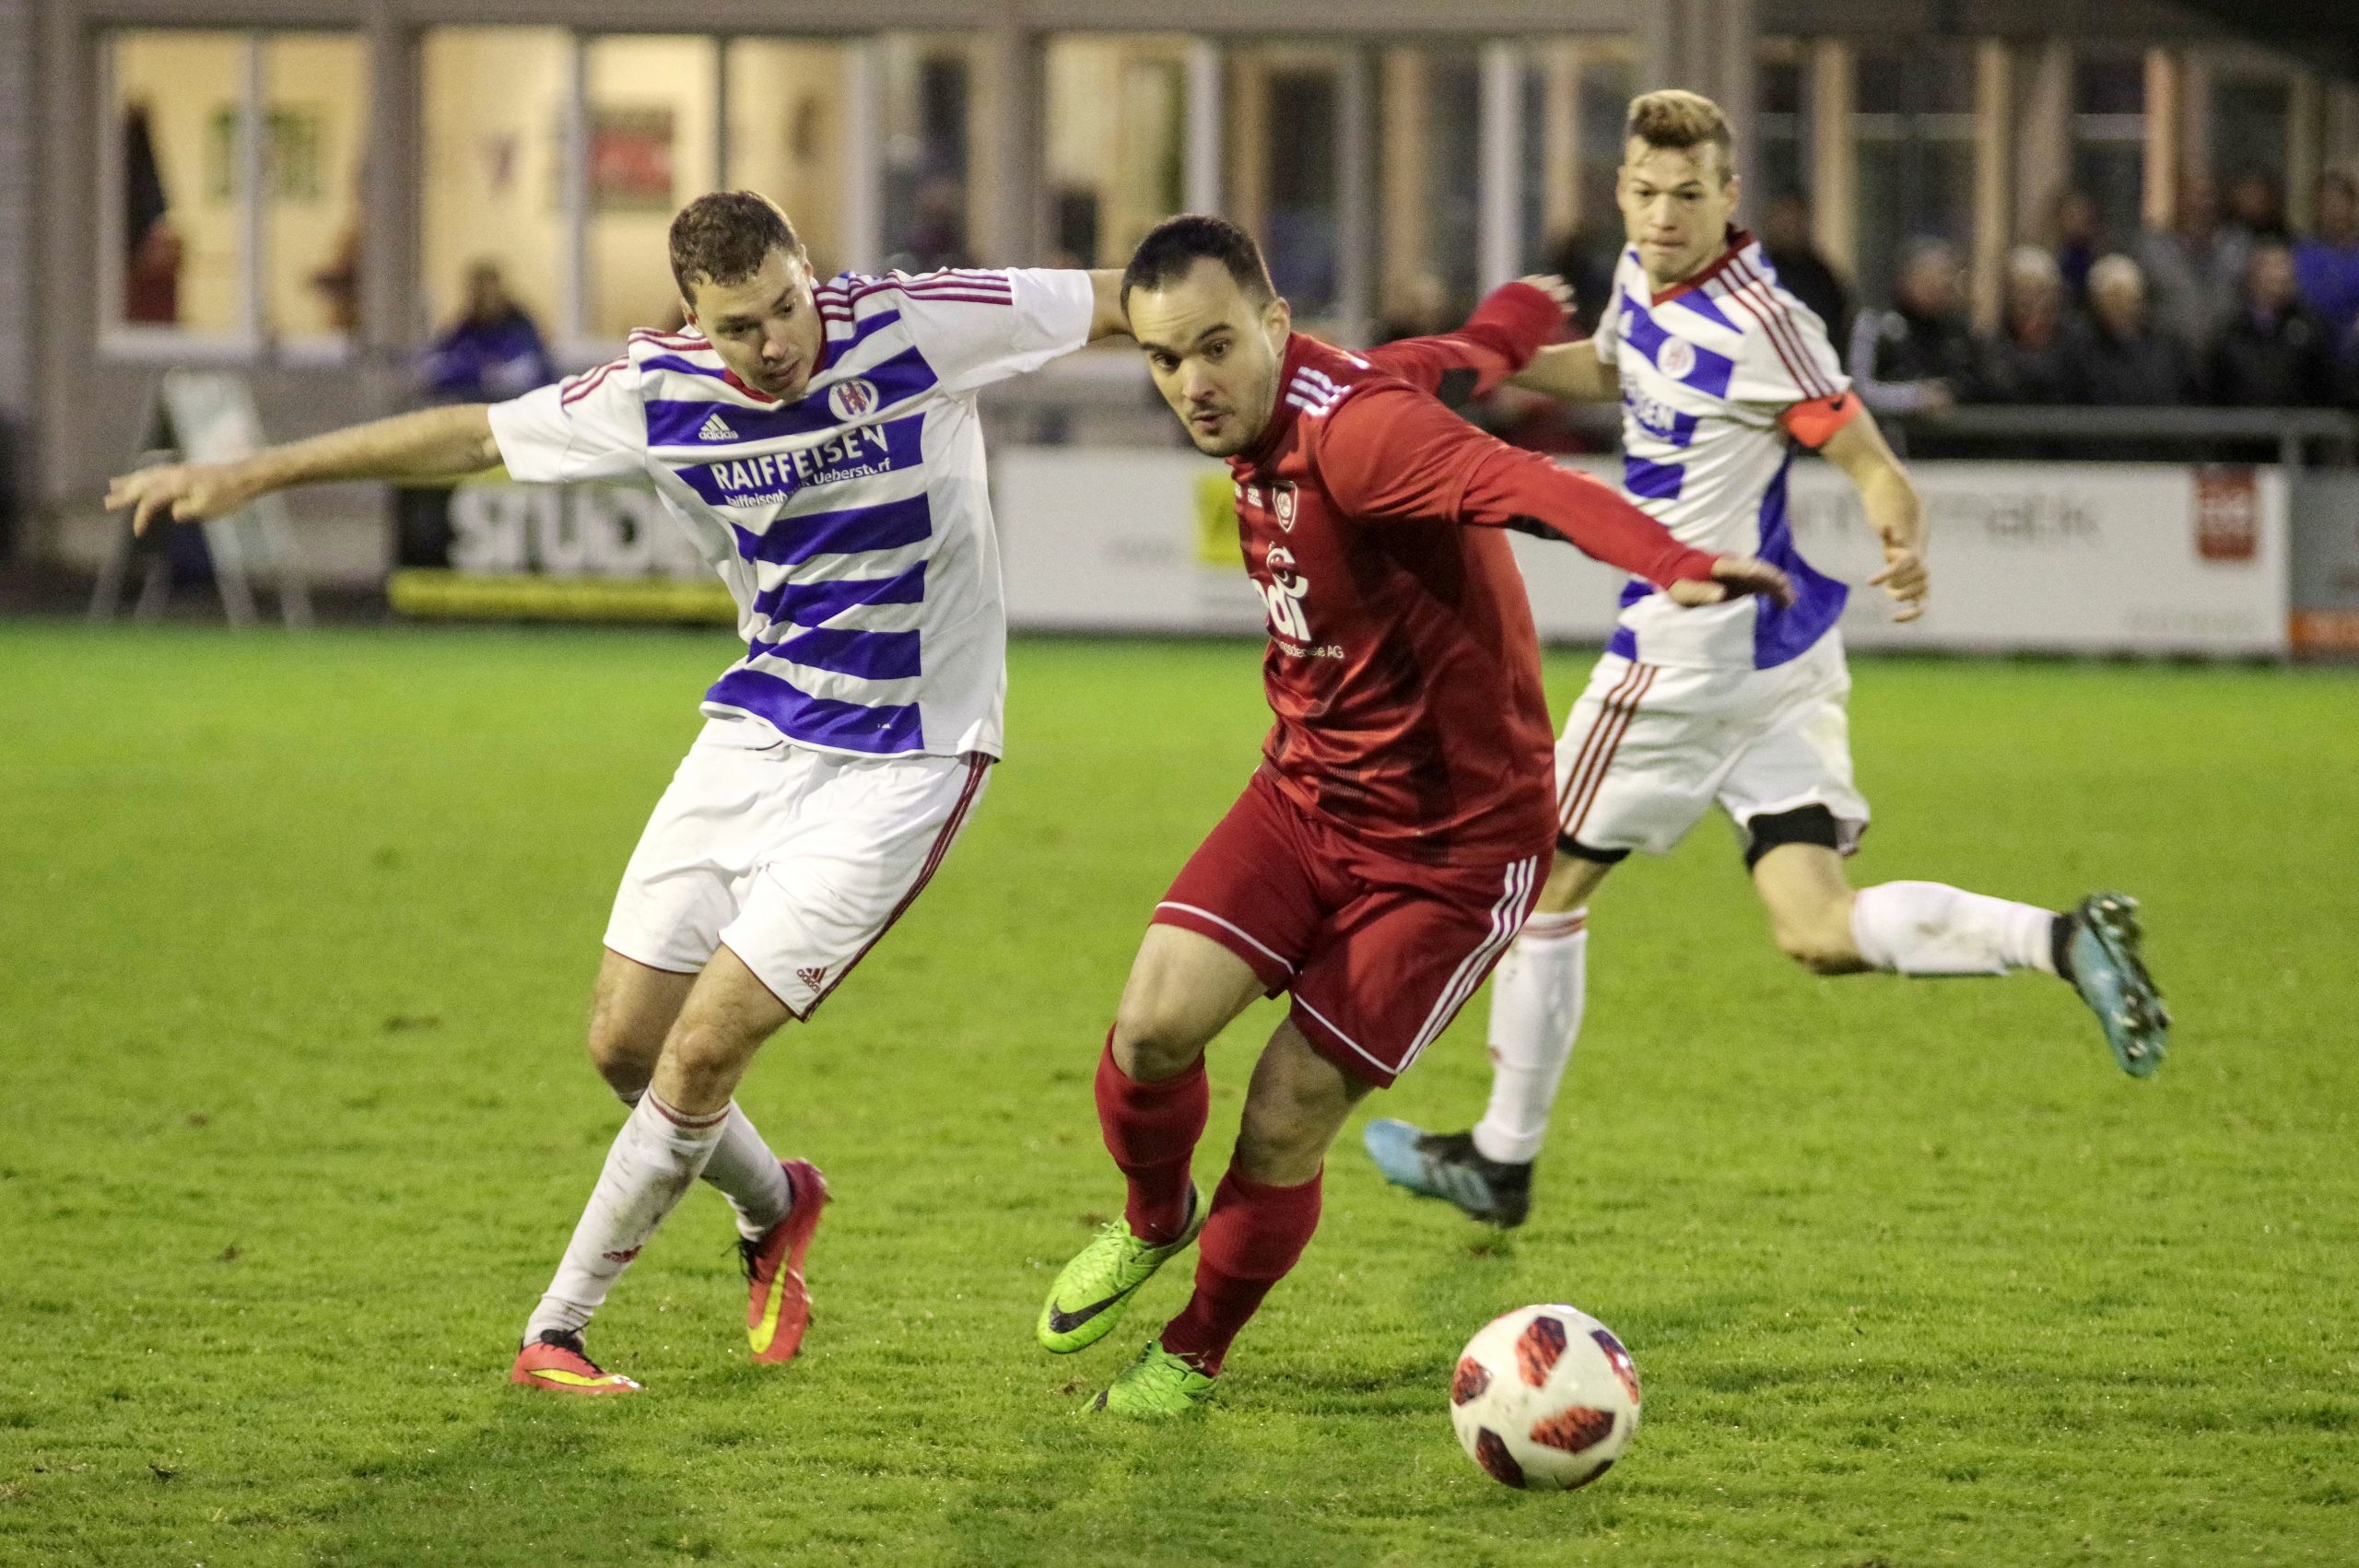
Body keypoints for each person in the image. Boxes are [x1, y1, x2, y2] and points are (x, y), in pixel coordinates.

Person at [107, 191, 1134, 1395]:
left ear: (808, 269)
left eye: (786, 307)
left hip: (908, 758)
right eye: (740, 325)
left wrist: (1267, 361)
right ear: (695, 319)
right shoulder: (658, 392)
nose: (775, 342)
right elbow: (472, 437)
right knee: (624, 1047)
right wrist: (256, 472)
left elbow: (1126, 300)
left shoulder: (919, 325)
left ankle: (557, 1329)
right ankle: (779, 1203)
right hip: (756, 731)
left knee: (701, 1051)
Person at [1361, 89, 2169, 1230]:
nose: (1664, 215)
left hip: (1684, 654)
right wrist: (1493, 361)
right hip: (1776, 663)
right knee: (1816, 929)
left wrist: (1899, 530)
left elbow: (1868, 458)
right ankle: (2061, 938)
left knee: (1536, 883)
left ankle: (1501, 1156)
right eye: (1647, 192)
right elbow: (1617, 367)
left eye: (1688, 196)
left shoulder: (1763, 321)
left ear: (1729, 197)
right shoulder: (1643, 278)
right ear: (1621, 190)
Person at [1033, 212, 1792, 1415]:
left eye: (1216, 347)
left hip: (1451, 855)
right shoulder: (1334, 389)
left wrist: (1667, 559)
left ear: (1276, 323)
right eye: (1165, 358)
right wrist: (1508, 324)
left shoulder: (1359, 437)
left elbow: (1520, 482)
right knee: (1150, 1029)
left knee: (1284, 1115)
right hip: (1305, 794)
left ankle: (1193, 1347)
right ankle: (1153, 1216)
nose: (1192, 383)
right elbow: (1444, 362)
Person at [1848, 238, 1978, 417]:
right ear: (1907, 278)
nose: (1938, 287)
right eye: (1929, 279)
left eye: (1945, 280)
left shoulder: (1955, 331)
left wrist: (1950, 392)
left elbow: (1974, 381)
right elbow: (1859, 388)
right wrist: (1915, 397)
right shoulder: (1874, 320)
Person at [2211, 240, 2337, 408]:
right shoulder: (2229, 333)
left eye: (2285, 269)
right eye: (2271, 268)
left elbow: (2327, 388)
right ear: (2252, 277)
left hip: (2297, 422)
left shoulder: (2311, 331)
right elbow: (2213, 391)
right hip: (2241, 421)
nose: (2281, 276)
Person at [2136, 172, 2245, 356]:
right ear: (2178, 199)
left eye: (2207, 195)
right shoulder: (2152, 250)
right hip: (2167, 355)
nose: (2200, 204)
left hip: (2226, 357)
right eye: (2192, 195)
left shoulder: (2238, 248)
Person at [2064, 253, 2193, 406]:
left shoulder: (2167, 346)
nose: (2122, 306)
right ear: (2096, 302)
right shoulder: (2078, 351)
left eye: (2129, 296)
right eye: (2114, 297)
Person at [419, 261, 556, 403]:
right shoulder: (466, 329)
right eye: (481, 294)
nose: (488, 301)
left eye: (491, 293)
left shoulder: (521, 328)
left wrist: (498, 373)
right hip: (473, 403)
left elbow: (536, 369)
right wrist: (477, 372)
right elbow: (440, 364)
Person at [1976, 246, 2075, 405]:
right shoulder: (1994, 338)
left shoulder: (2071, 338)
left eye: (2037, 289)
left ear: (2052, 293)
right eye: (2020, 288)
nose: (2028, 297)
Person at [1760, 192, 1852, 354]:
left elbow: (1838, 325)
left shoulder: (1821, 277)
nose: (1790, 227)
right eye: (1784, 220)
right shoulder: (1757, 269)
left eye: (1795, 220)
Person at [2292, 171, 2359, 357]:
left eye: (2339, 202)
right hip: (2313, 350)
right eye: (2326, 203)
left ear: (2352, 205)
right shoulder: (2301, 253)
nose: (2333, 210)